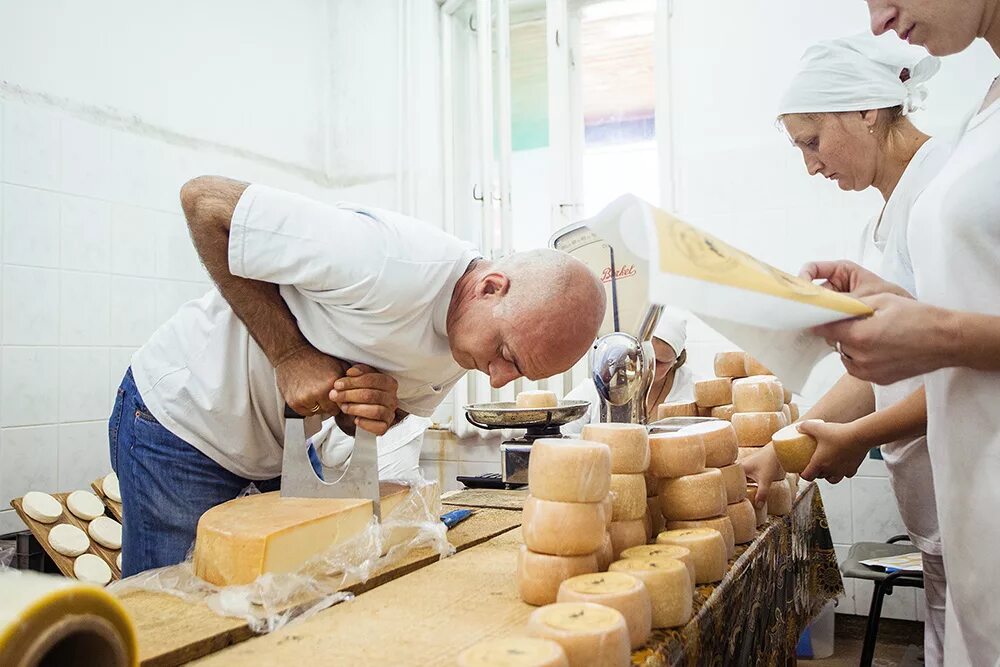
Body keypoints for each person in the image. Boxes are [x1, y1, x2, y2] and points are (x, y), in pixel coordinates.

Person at [110, 176, 606, 576]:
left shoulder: (468, 343)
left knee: (261, 614)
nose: (498, 378)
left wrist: (370, 412)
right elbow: (203, 202)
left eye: (517, 373)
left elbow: (366, 419)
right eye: (506, 355)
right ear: (491, 287)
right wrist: (289, 355)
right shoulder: (380, 258)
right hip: (180, 420)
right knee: (172, 612)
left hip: (272, 450)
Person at [799, 2, 1000, 662]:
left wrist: (929, 334)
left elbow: (949, 331)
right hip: (970, 512)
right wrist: (893, 312)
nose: (880, 17)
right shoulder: (982, 123)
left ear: (865, 109)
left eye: (812, 142)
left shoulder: (945, 169)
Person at [742, 32, 950, 664]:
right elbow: (882, 368)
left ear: (867, 109)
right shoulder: (884, 219)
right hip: (940, 506)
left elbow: (965, 369)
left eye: (812, 141)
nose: (810, 165)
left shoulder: (943, 195)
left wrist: (859, 437)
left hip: (976, 485)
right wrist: (790, 444)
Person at [562, 311, 699, 434]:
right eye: (640, 359)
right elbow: (562, 430)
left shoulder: (694, 391)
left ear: (676, 361)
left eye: (660, 362)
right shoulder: (597, 389)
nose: (647, 367)